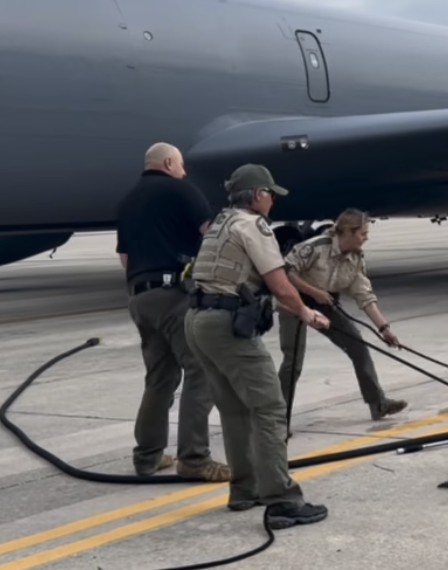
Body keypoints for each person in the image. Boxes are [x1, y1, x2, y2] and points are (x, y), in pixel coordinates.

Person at [184, 163, 331, 529]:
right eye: (269, 194)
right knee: (269, 408)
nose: (272, 201)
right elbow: (280, 284)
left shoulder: (221, 223)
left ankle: (244, 489)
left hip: (198, 320)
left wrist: (294, 307)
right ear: (257, 195)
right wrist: (306, 313)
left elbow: (243, 284)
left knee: (234, 409)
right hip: (225, 326)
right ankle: (282, 500)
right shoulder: (253, 226)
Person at [114, 142, 230, 482]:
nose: (184, 171)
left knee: (160, 378)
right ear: (167, 162)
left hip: (140, 297)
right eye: (180, 165)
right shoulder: (181, 191)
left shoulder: (128, 200)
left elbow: (124, 258)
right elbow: (211, 237)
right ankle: (194, 458)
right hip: (173, 295)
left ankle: (147, 457)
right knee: (202, 370)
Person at [279, 208, 407, 422]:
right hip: (294, 303)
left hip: (324, 304)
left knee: (358, 346)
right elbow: (285, 273)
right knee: (294, 362)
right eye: (362, 233)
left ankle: (378, 403)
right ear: (347, 232)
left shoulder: (356, 258)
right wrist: (313, 292)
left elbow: (363, 295)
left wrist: (384, 329)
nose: (366, 238)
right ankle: (279, 419)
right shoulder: (315, 247)